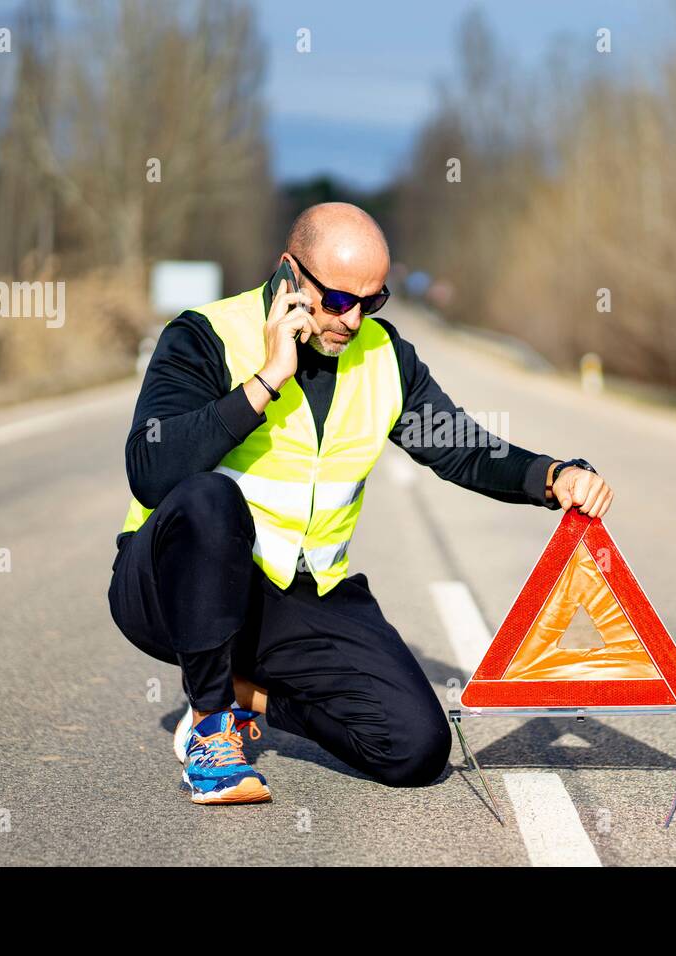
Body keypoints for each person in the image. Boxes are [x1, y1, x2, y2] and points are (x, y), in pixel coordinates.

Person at [107, 202, 613, 804]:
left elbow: (460, 448)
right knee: (208, 496)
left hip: (292, 599)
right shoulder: (204, 335)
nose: (352, 320)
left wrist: (551, 476)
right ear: (290, 276)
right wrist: (267, 379)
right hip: (169, 588)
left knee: (416, 747)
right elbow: (151, 471)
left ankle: (246, 696)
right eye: (339, 300)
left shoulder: (384, 356)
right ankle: (213, 728)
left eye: (372, 301)